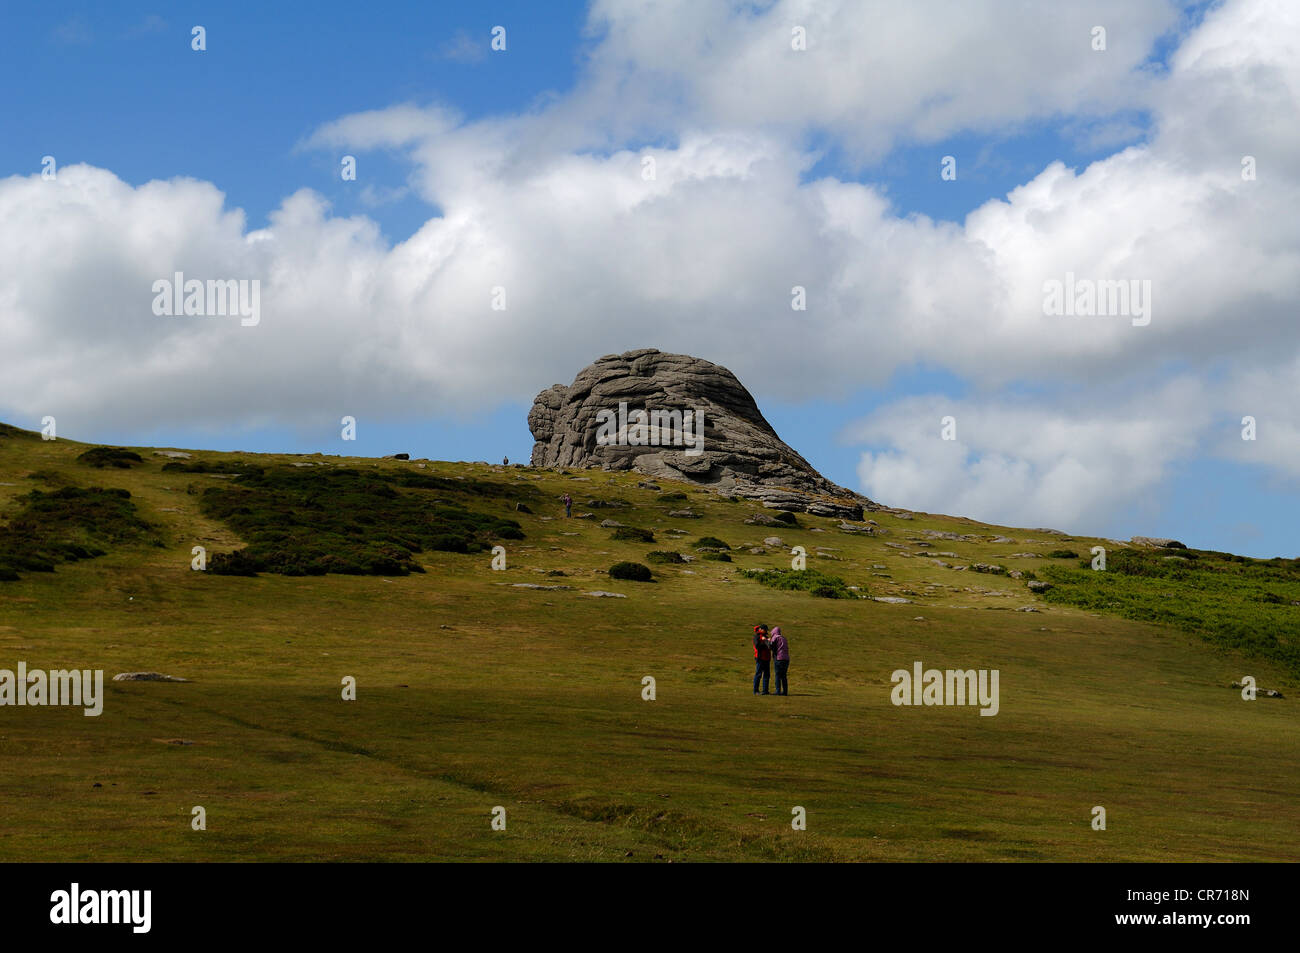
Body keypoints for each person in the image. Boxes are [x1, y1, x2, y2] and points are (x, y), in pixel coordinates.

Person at [769, 625, 790, 696]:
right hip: (786, 659)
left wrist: (767, 641)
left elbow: (771, 647)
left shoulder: (775, 638)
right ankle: (785, 691)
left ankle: (778, 691)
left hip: (779, 658)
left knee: (778, 675)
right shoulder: (784, 638)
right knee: (784, 676)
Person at [752, 624, 771, 695]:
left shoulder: (765, 636)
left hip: (767, 658)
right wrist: (765, 641)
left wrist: (768, 641)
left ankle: (765, 690)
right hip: (760, 658)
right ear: (760, 629)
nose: (766, 631)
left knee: (766, 675)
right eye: (765, 630)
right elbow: (757, 646)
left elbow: (769, 646)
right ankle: (755, 690)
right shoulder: (756, 636)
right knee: (758, 674)